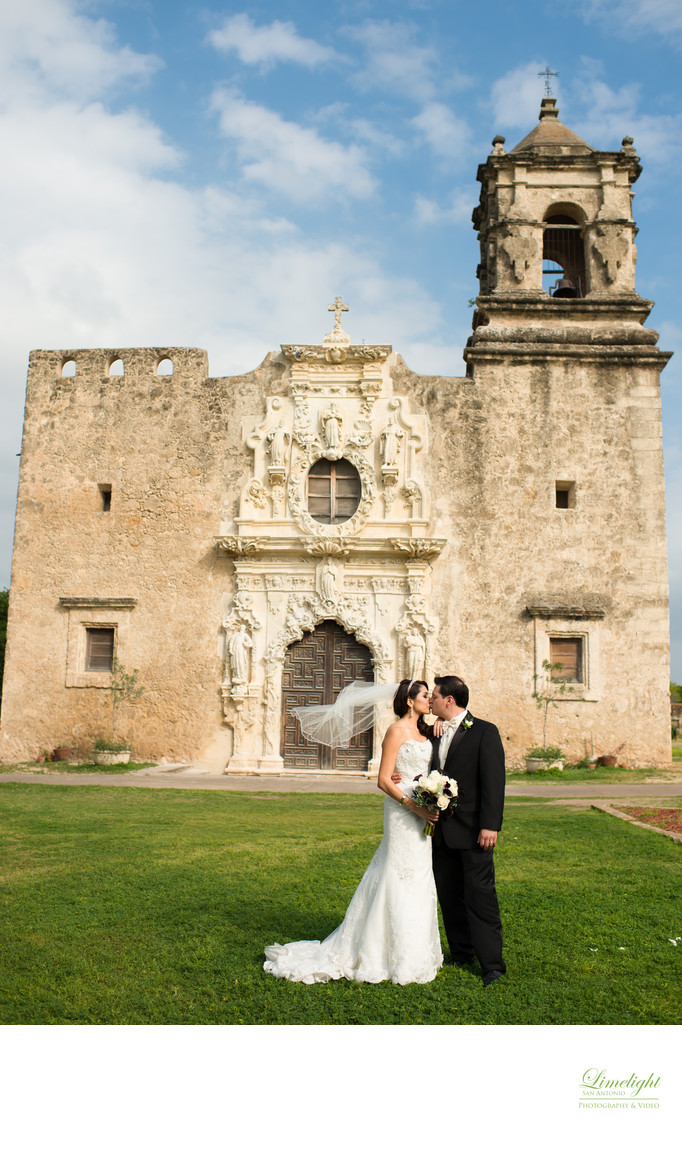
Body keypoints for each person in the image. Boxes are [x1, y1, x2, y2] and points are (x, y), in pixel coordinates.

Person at [263, 680, 443, 985]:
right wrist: (414, 806)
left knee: (420, 875)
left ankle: (416, 951)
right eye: (425, 695)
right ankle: (380, 953)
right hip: (402, 811)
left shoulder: (427, 732)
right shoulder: (396, 730)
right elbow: (383, 780)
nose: (430, 699)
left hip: (422, 810)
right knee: (396, 873)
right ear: (409, 701)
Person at [428, 674, 506, 987]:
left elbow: (494, 782)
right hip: (440, 832)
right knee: (449, 896)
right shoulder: (433, 732)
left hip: (474, 832)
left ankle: (492, 966)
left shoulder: (485, 731)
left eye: (434, 696)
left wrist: (490, 826)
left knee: (480, 897)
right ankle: (461, 954)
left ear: (449, 700)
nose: (430, 700)